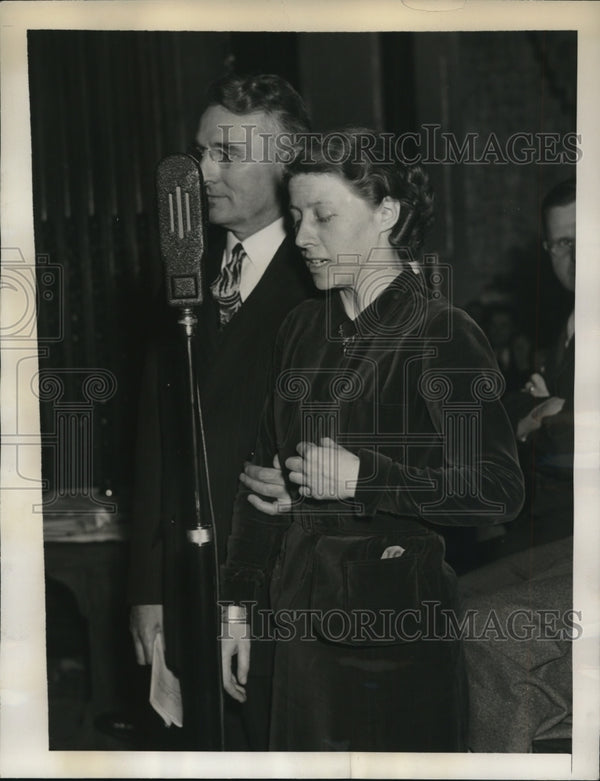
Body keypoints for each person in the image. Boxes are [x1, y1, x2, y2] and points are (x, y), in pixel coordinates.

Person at [220, 129, 525, 752]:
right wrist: (237, 606)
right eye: (297, 216)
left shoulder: (443, 333)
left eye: (323, 216)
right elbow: (261, 474)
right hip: (291, 625)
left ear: (388, 213)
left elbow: (498, 492)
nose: (302, 236)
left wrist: (366, 479)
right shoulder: (302, 326)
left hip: (392, 644)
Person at [126, 73, 314, 749]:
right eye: (202, 151)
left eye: (227, 155)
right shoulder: (184, 271)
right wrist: (148, 591)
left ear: (286, 162)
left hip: (287, 587)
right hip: (188, 589)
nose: (204, 171)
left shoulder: (324, 279)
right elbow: (156, 439)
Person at [459, 178, 576, 752]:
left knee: (481, 627)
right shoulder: (571, 325)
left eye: (586, 238)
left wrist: (553, 418)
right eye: (560, 243)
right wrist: (539, 413)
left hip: (578, 540)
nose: (573, 256)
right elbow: (528, 413)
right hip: (561, 534)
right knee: (443, 600)